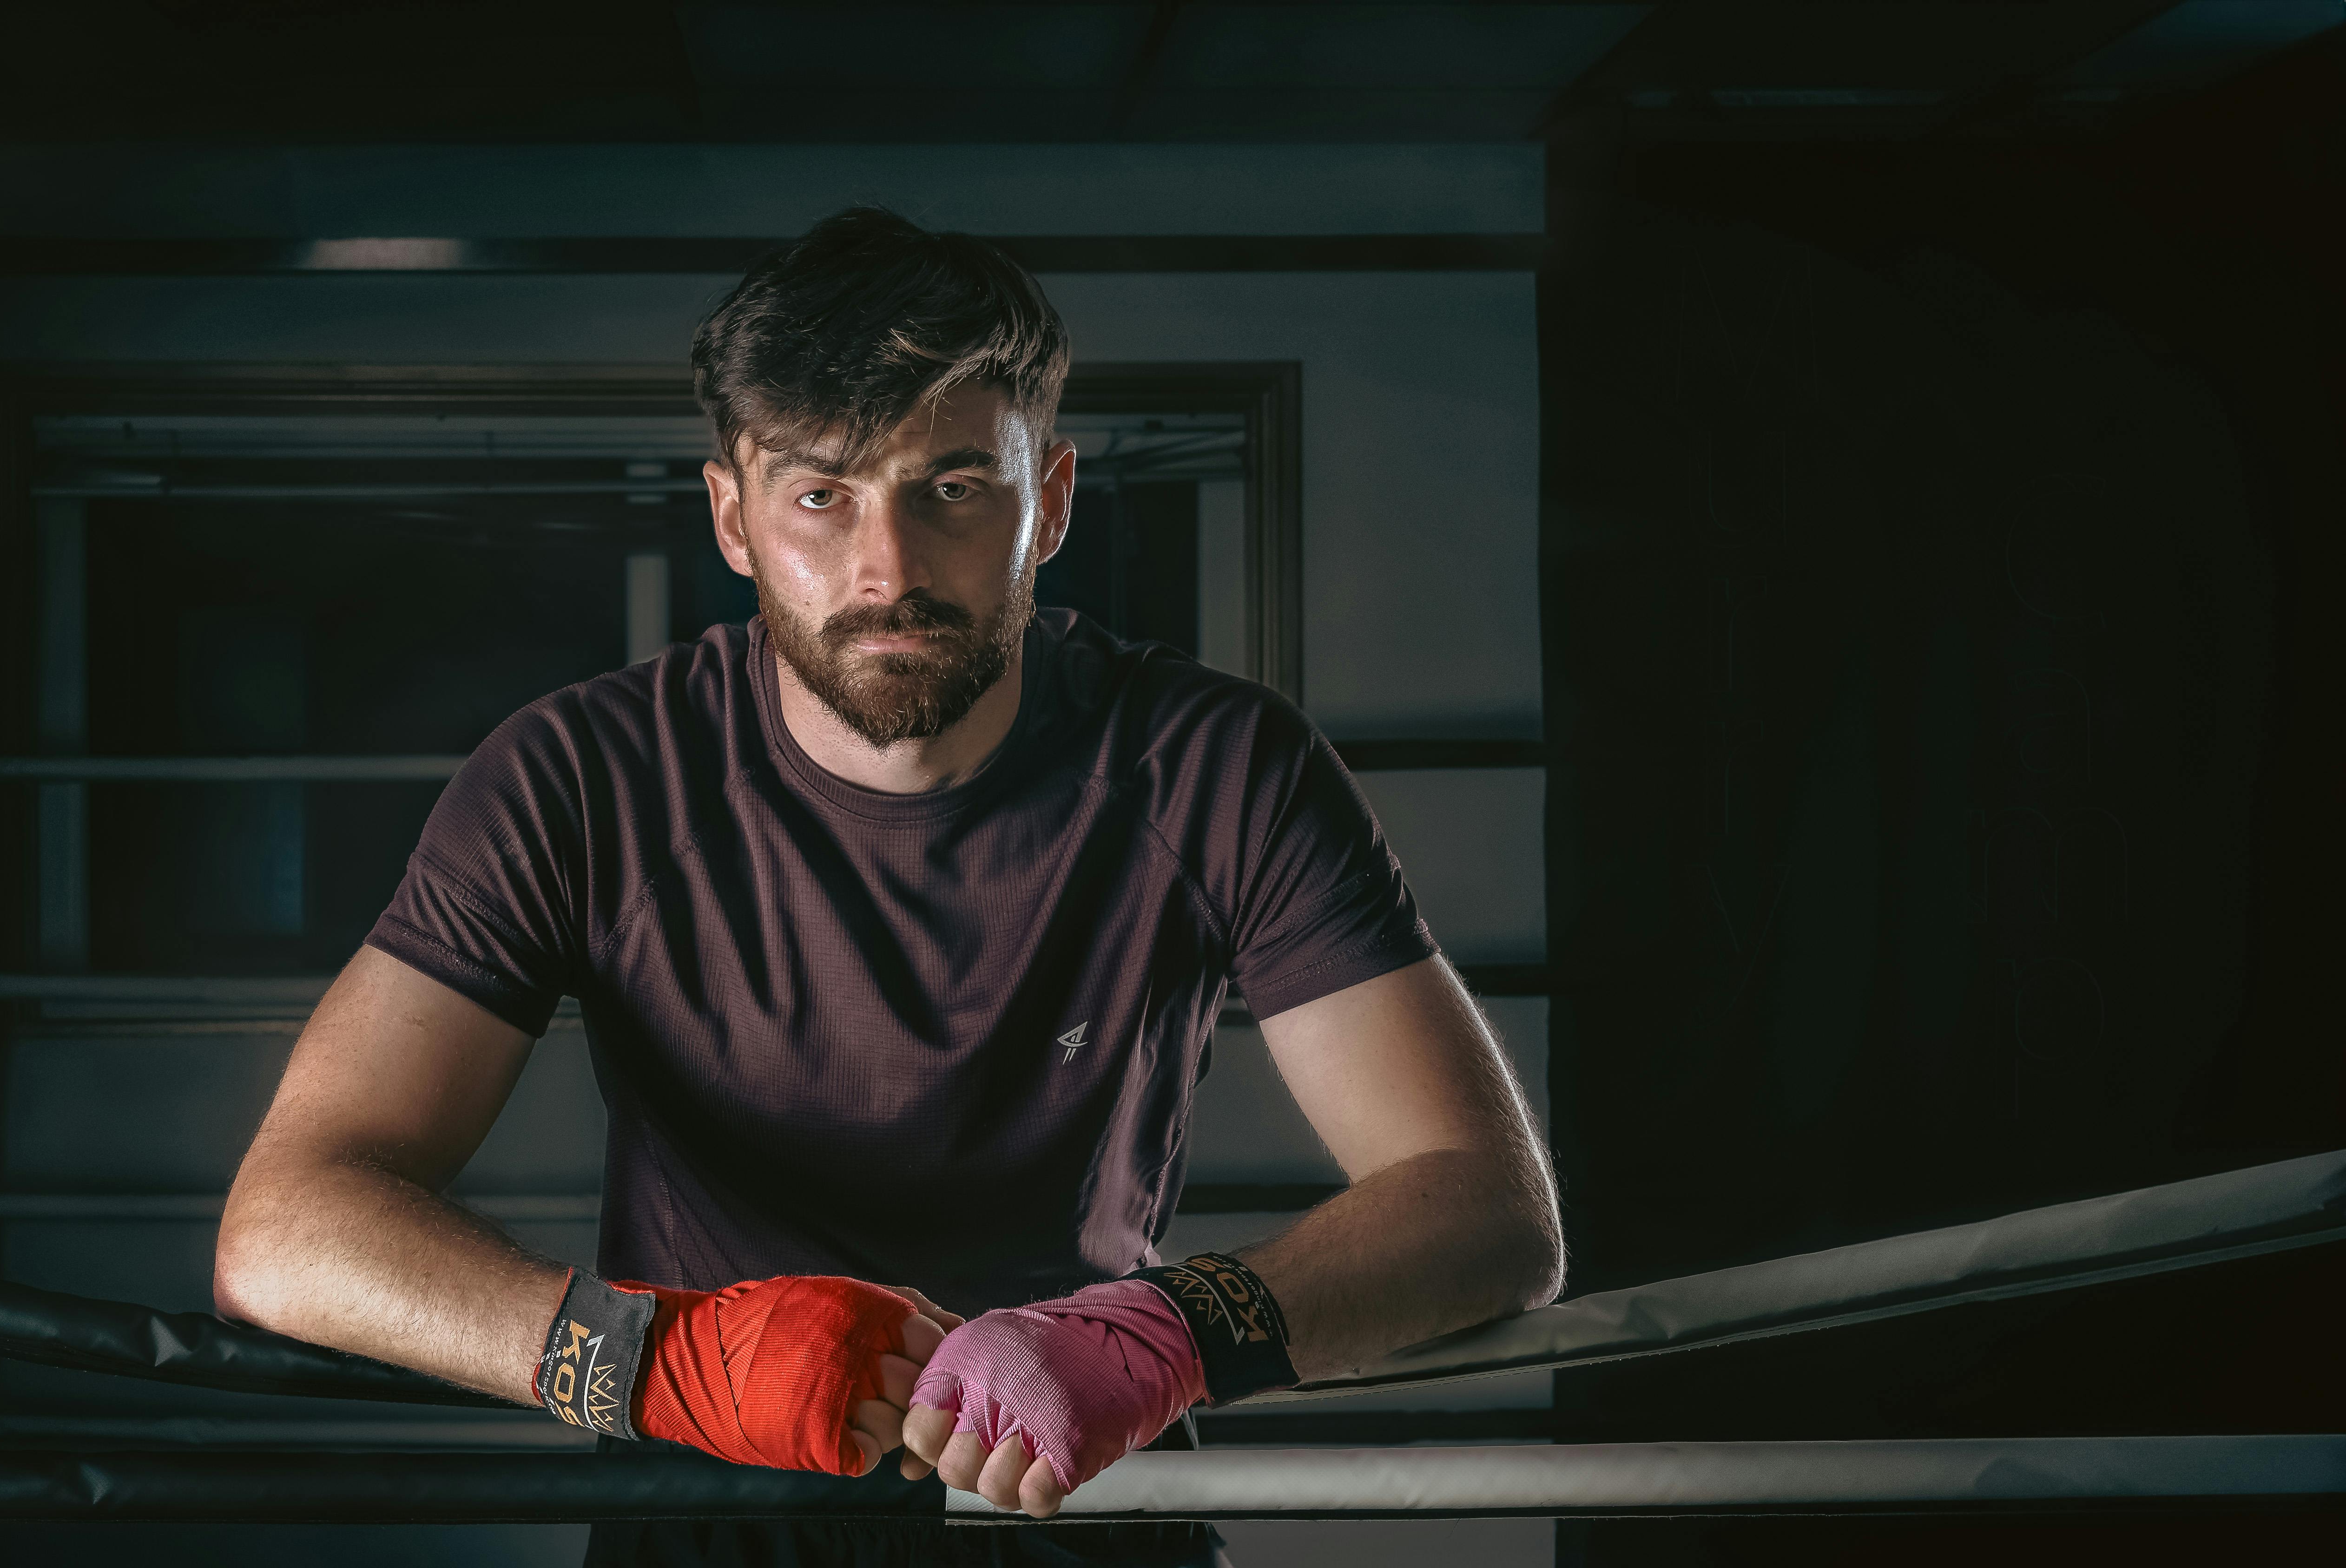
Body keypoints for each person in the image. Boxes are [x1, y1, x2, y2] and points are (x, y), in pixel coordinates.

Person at [214, 206, 1565, 1566]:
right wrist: (651, 1357)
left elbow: (1486, 1204)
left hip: (1085, 1511)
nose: (890, 571)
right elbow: (284, 1229)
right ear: (733, 520)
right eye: (821, 496)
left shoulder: (1217, 766)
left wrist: (1169, 1331)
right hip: (704, 1525)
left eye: (955, 488)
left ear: (1055, 503)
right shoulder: (582, 776)